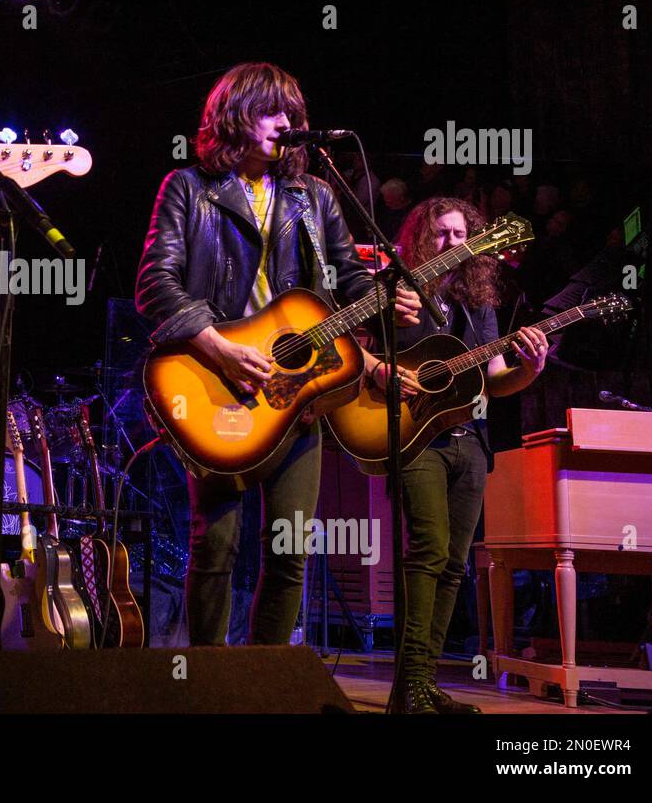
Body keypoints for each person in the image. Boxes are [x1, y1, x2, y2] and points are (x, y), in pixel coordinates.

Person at [135, 61, 420, 647]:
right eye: (271, 110)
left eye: (292, 112)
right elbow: (154, 286)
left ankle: (263, 681)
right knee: (215, 545)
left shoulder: (312, 196)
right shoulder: (189, 188)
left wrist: (386, 302)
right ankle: (205, 682)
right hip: (218, 384)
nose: (285, 123)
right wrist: (218, 347)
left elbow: (349, 282)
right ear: (235, 114)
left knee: (290, 551)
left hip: (297, 402)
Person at [377, 196, 548, 712]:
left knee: (454, 564)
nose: (452, 244)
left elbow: (495, 381)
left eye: (460, 235)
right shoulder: (397, 293)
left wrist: (531, 370)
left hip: (471, 439)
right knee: (427, 550)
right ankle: (407, 685)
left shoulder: (480, 305)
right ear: (421, 240)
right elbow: (365, 352)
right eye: (441, 235)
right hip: (417, 437)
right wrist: (383, 372)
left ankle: (425, 682)